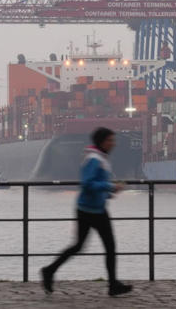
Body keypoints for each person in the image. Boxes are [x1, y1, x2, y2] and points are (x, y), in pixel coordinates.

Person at [41, 127, 132, 297]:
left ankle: (113, 284)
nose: (114, 143)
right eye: (111, 140)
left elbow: (95, 185)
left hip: (97, 209)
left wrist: (109, 192)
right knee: (80, 246)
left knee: (107, 247)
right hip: (87, 211)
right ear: (102, 142)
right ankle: (49, 270)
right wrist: (110, 186)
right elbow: (87, 184)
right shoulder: (94, 159)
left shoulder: (101, 157)